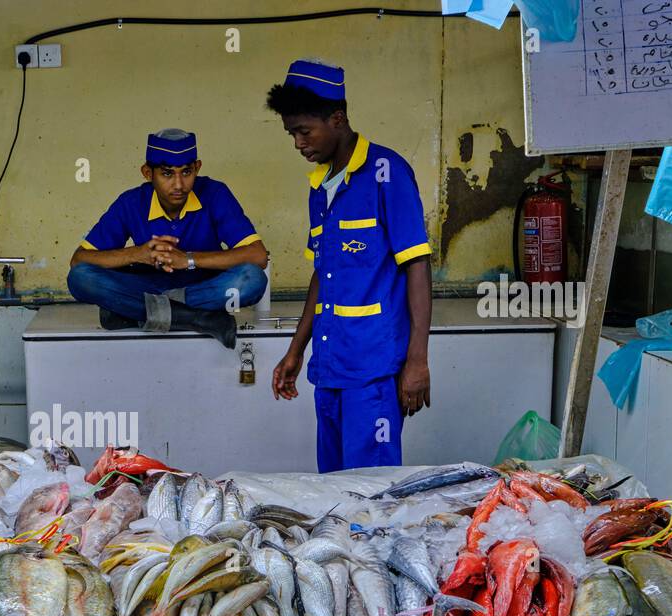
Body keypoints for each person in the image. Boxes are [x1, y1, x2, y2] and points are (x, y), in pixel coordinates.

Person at [267, 60, 433, 472]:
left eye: (304, 131)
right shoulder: (319, 186)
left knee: (371, 491)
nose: (298, 143)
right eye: (291, 134)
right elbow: (322, 276)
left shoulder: (387, 172)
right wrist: (295, 351)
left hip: (373, 369)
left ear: (337, 119)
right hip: (330, 367)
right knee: (334, 487)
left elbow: (417, 265)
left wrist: (417, 360)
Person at [66, 129, 269, 349]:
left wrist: (188, 260)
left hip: (203, 287)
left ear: (197, 168)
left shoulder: (215, 193)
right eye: (167, 174)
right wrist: (138, 254)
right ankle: (195, 318)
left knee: (253, 279)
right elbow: (80, 260)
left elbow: (258, 256)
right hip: (148, 287)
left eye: (187, 172)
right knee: (80, 278)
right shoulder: (131, 202)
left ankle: (136, 313)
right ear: (147, 173)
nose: (179, 184)